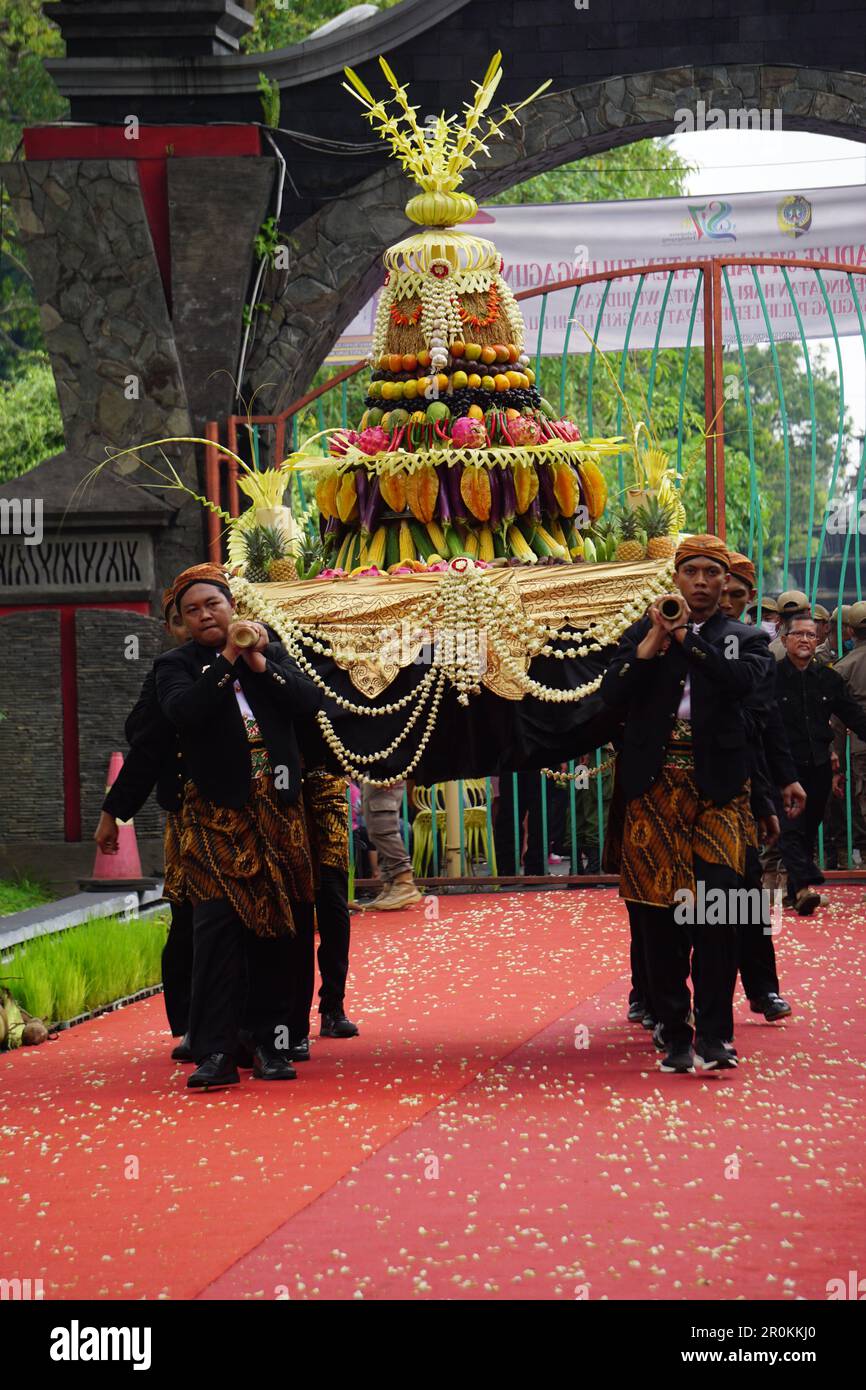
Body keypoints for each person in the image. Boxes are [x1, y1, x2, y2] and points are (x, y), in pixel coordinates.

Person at [599, 534, 775, 1074]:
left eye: (711, 573)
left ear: (727, 584)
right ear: (675, 577)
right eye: (691, 571)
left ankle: (716, 1037)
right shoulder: (641, 632)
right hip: (653, 790)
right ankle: (674, 1033)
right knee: (659, 916)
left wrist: (687, 640)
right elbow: (610, 694)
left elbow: (741, 687)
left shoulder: (747, 638)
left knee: (720, 913)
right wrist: (655, 638)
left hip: (720, 792)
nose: (700, 581)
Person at [155, 564, 322, 1091]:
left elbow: (309, 704)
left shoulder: (269, 655)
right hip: (214, 817)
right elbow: (187, 712)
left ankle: (272, 1048)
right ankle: (216, 1053)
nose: (206, 615)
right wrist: (227, 660)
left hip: (277, 812)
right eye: (193, 610)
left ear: (233, 607)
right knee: (215, 930)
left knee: (275, 927)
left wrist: (256, 659)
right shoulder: (174, 666)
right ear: (182, 623)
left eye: (214, 605)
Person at [94, 589, 194, 1056]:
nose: (195, 622)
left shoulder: (258, 660)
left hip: (258, 821)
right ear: (173, 628)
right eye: (182, 618)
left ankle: (273, 1028)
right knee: (191, 921)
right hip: (191, 823)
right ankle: (197, 1026)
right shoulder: (166, 674)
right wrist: (114, 812)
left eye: (210, 607)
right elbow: (144, 744)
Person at [721, 553, 806, 1022]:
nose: (729, 602)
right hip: (673, 780)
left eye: (738, 594)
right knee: (662, 896)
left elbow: (770, 724)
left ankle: (762, 988)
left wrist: (785, 779)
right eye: (723, 592)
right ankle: (649, 991)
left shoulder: (755, 647)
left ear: (752, 599)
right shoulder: (678, 638)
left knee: (745, 888)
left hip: (741, 781)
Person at [772, 610, 866, 914]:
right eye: (798, 634)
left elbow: (854, 716)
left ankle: (792, 892)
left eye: (810, 635)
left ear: (818, 639)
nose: (804, 639)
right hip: (783, 767)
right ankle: (803, 887)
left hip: (819, 766)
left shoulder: (829, 678)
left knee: (808, 829)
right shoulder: (770, 677)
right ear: (785, 639)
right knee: (789, 829)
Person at [830, 600, 866, 866]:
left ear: (850, 632)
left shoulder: (843, 667)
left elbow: (837, 725)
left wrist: (837, 767)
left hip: (859, 747)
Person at [359, 780, 423, 909]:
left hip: (385, 770)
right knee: (375, 828)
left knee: (383, 825)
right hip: (376, 770)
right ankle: (391, 884)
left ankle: (404, 882)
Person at [769, 591, 811, 660]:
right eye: (789, 616)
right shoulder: (816, 645)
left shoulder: (770, 649)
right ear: (809, 613)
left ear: (780, 619)